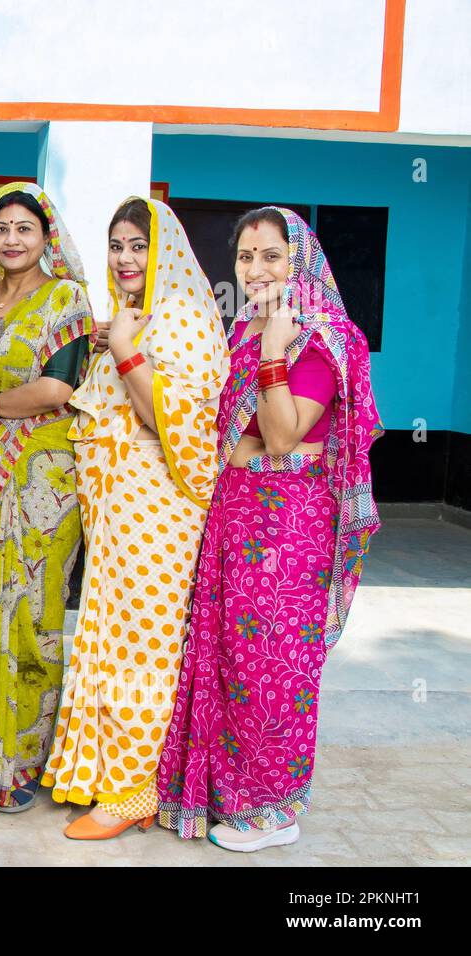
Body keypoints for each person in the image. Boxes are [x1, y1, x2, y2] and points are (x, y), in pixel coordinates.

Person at [157, 206, 382, 851]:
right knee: (231, 659)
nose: (256, 270)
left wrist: (277, 357)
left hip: (290, 531)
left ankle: (273, 812)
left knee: (275, 667)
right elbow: (239, 438)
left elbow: (283, 434)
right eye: (246, 257)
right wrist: (254, 447)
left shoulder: (323, 338)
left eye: (272, 256)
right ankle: (230, 792)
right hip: (235, 519)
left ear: (301, 261)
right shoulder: (240, 335)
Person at [41, 197, 229, 838]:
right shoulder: (136, 317)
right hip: (118, 514)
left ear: (166, 252)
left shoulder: (185, 319)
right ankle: (102, 773)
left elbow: (175, 425)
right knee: (106, 637)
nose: (124, 258)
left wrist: (124, 350)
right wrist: (120, 336)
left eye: (137, 246)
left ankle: (133, 792)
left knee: (143, 647)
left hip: (160, 517)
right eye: (116, 245)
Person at [0, 182, 97, 811]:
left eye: (23, 229)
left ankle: (25, 760)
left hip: (42, 481)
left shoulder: (67, 300)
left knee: (28, 616)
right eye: (0, 228)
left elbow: (57, 390)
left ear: (46, 236)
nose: (10, 240)